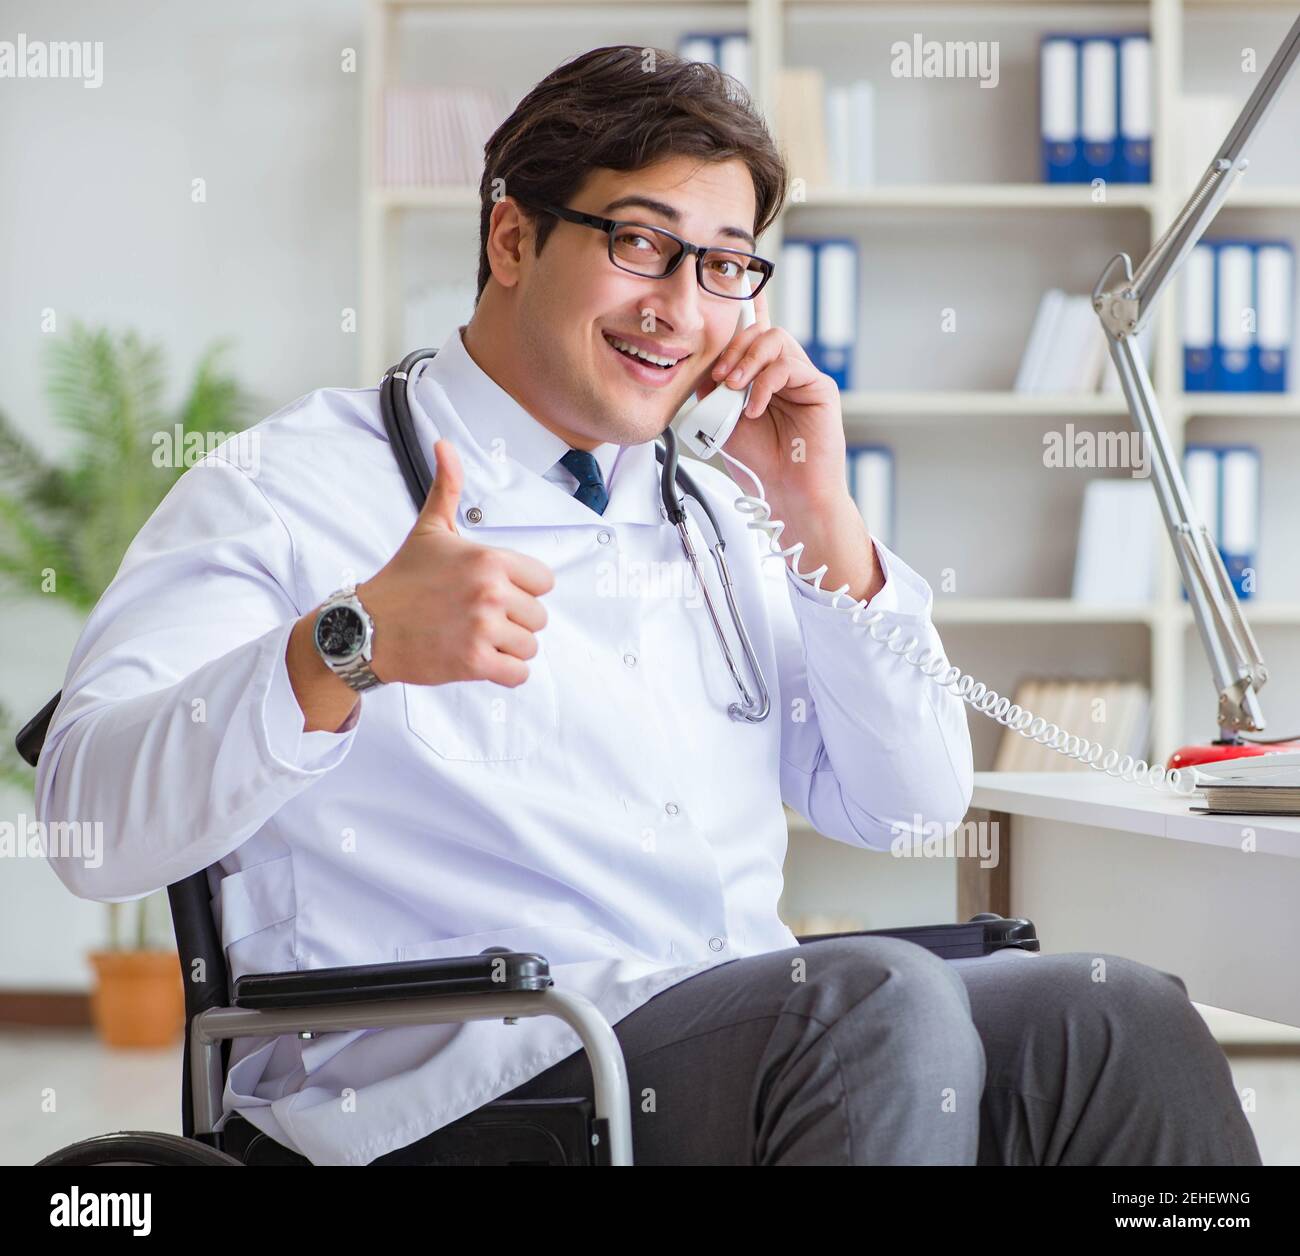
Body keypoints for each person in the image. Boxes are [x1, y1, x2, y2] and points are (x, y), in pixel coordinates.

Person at [36, 45, 1260, 1167]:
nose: (681, 306)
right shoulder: (293, 486)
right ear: (512, 239)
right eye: (639, 242)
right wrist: (344, 647)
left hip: (727, 1035)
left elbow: (912, 801)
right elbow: (89, 817)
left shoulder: (713, 509)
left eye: (724, 264)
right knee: (867, 1006)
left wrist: (822, 520)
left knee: (1114, 1008)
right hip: (453, 1081)